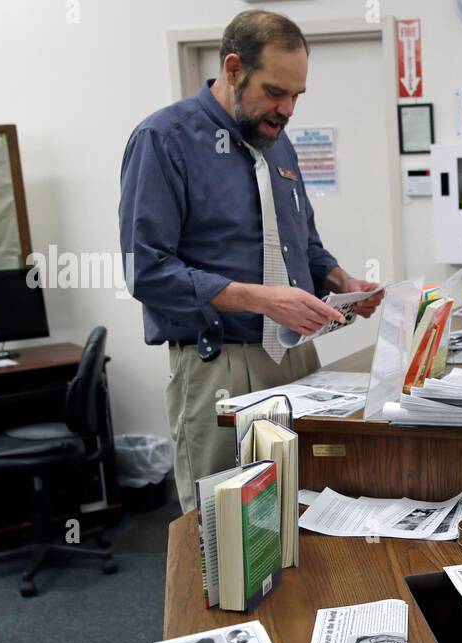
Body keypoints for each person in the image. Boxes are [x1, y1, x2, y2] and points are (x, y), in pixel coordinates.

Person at [119, 10, 382, 512]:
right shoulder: (163, 140)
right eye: (276, 91)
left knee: (306, 511)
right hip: (220, 364)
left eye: (297, 96)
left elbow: (301, 242)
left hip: (297, 358)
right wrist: (261, 300)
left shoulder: (277, 142)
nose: (287, 109)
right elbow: (146, 270)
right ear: (234, 68)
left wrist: (341, 278)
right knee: (230, 532)